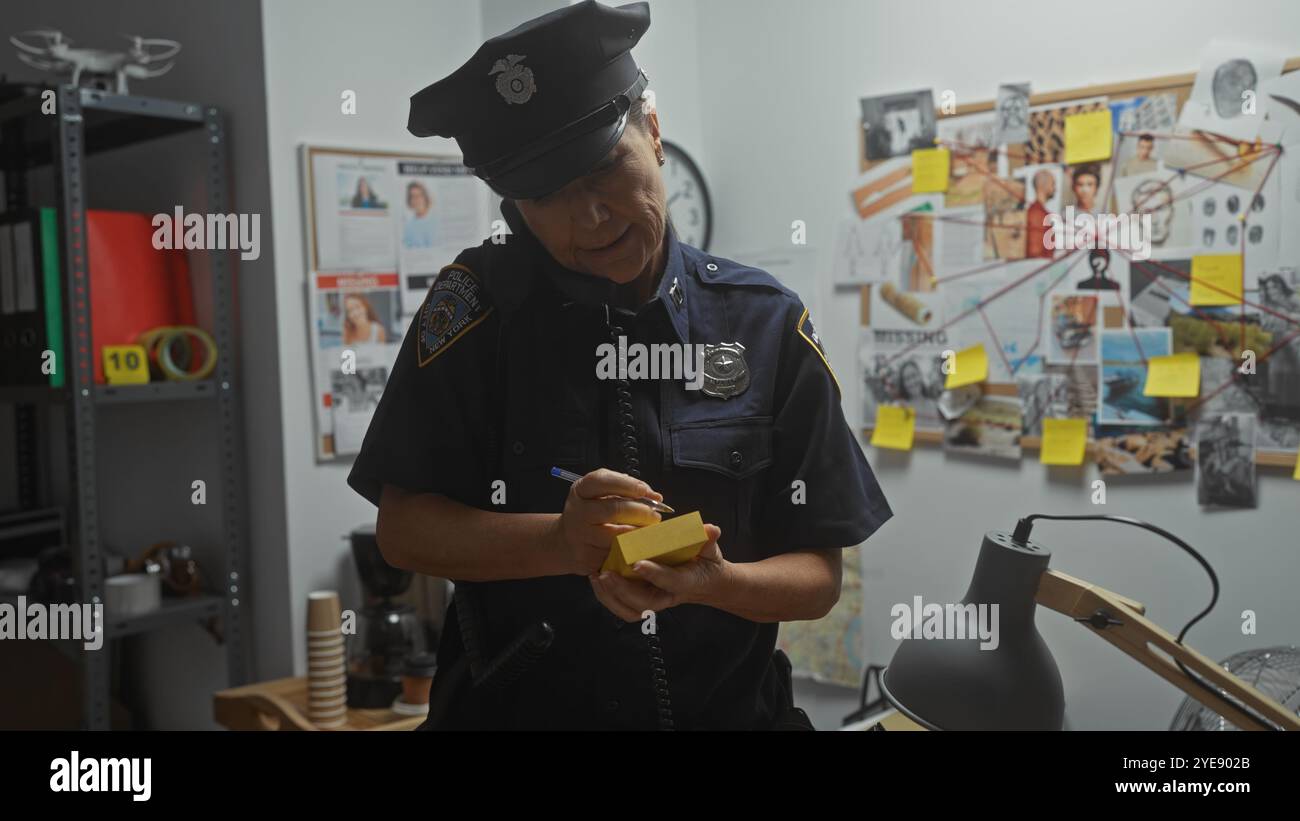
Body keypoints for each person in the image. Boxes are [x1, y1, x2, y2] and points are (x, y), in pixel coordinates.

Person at [348, 0, 891, 731]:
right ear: (515, 206)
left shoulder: (765, 322)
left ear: (654, 133)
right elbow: (403, 529)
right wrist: (559, 543)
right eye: (545, 194)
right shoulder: (477, 310)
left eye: (605, 167)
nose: (590, 217)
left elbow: (821, 575)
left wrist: (718, 583)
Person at [1025, 168, 1056, 258]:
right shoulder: (1037, 213)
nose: (1055, 188)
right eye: (1053, 184)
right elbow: (1035, 251)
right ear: (1044, 185)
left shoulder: (1040, 212)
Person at [403, 182, 437, 248]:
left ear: (425, 198)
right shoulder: (408, 226)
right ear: (410, 201)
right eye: (413, 197)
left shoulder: (436, 220)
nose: (416, 200)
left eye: (419, 196)